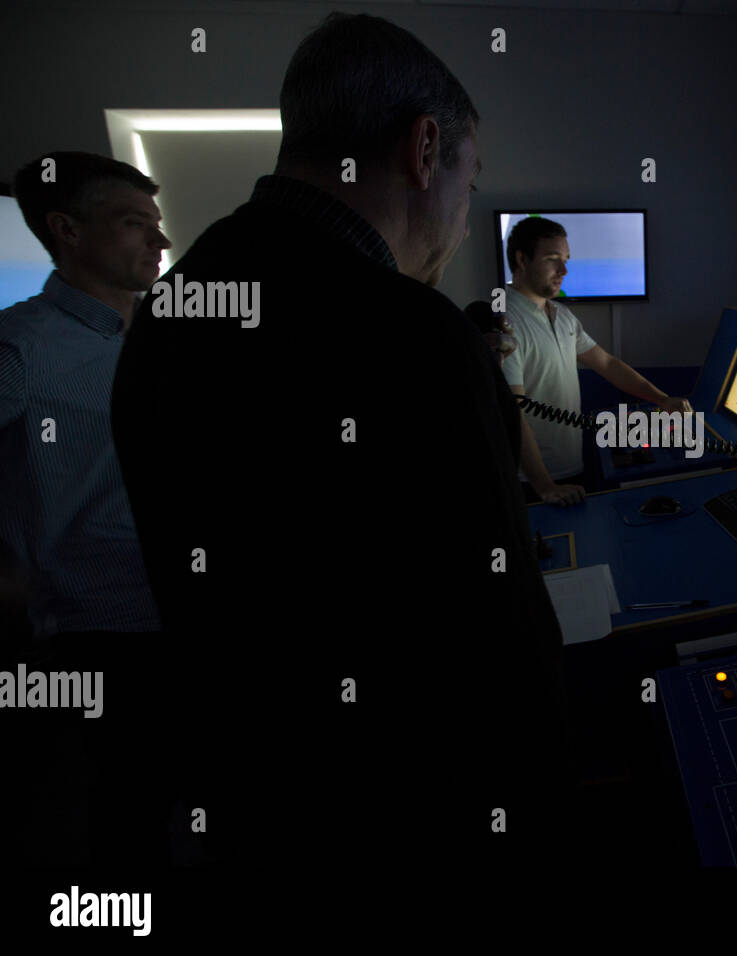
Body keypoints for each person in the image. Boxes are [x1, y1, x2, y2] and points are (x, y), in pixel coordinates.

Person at [111, 12, 568, 873]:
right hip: (412, 817)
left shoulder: (173, 304)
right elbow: (504, 645)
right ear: (424, 149)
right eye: (470, 188)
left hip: (255, 801)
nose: (465, 225)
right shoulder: (414, 334)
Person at [0, 151, 171, 865]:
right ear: (67, 230)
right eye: (135, 224)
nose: (159, 244)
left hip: (177, 614)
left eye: (156, 226)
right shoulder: (19, 347)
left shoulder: (165, 335)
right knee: (108, 826)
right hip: (90, 636)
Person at [501, 217, 693, 505]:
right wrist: (545, 487)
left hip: (570, 469)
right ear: (521, 259)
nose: (564, 270)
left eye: (566, 259)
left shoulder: (561, 314)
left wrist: (661, 399)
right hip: (533, 482)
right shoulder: (504, 322)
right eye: (553, 259)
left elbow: (607, 364)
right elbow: (512, 412)